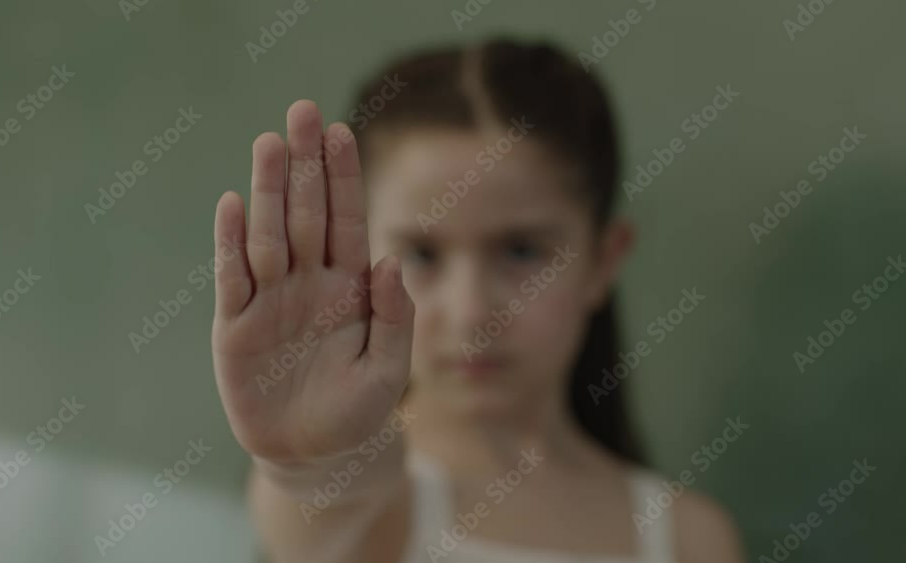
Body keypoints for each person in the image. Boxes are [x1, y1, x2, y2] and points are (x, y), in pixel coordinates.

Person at [210, 38, 745, 563]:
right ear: (360, 256)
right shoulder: (376, 500)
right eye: (421, 254)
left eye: (520, 250)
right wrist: (309, 460)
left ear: (603, 261)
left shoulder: (689, 538)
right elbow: (323, 506)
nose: (472, 313)